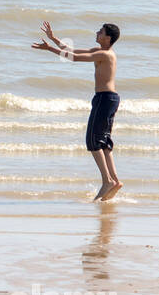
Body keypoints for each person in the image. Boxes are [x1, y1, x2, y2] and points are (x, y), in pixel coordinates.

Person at [31, 21, 122, 201]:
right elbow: (71, 50)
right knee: (103, 142)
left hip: (105, 99)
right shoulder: (101, 52)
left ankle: (107, 181)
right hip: (108, 99)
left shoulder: (105, 54)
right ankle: (115, 181)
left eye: (100, 31)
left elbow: (72, 58)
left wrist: (49, 49)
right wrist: (53, 39)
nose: (97, 32)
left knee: (93, 141)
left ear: (108, 37)